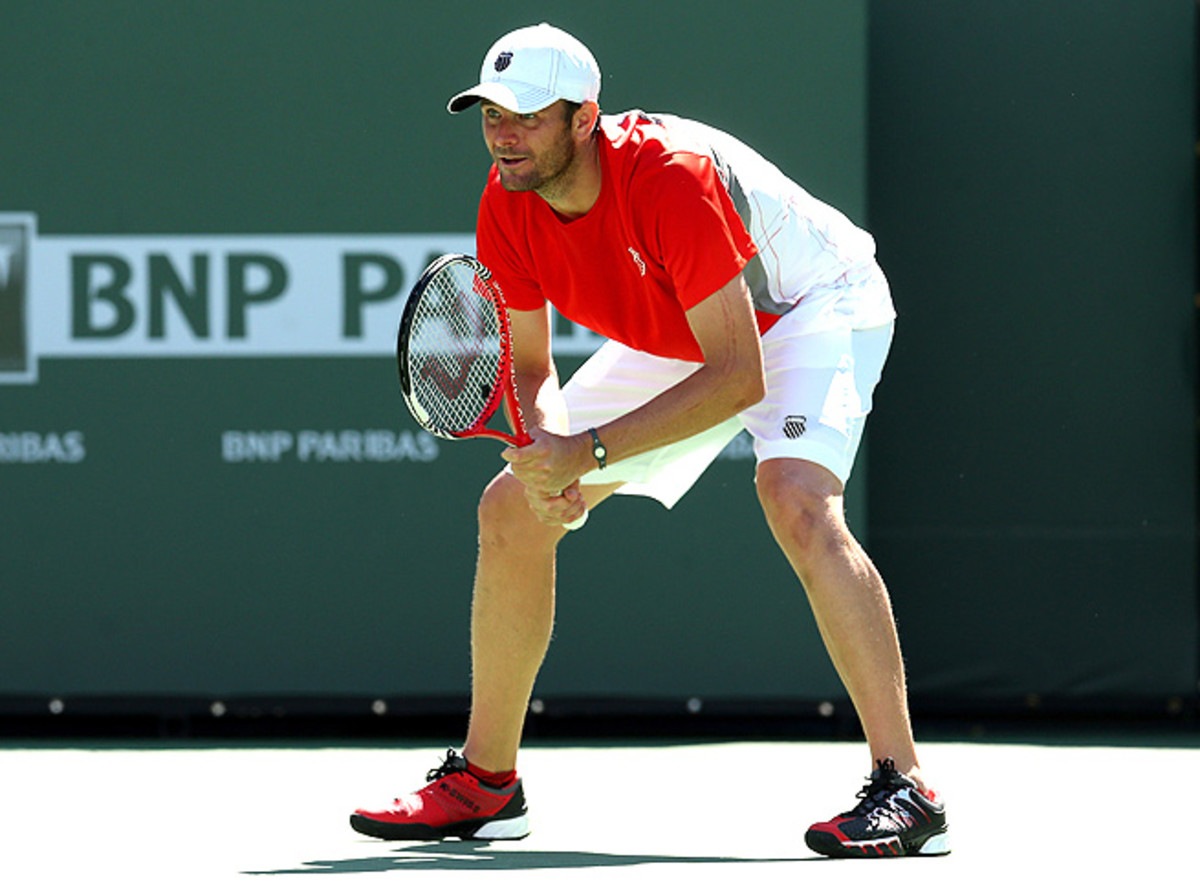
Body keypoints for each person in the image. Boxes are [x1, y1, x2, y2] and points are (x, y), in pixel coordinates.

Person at [351, 22, 950, 858]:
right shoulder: (507, 199)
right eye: (492, 115)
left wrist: (589, 451)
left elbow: (738, 374)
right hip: (683, 323)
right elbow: (531, 365)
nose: (504, 135)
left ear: (584, 118)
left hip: (809, 306)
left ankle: (907, 788)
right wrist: (549, 453)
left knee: (796, 498)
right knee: (511, 510)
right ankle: (487, 783)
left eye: (526, 117)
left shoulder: (671, 177)